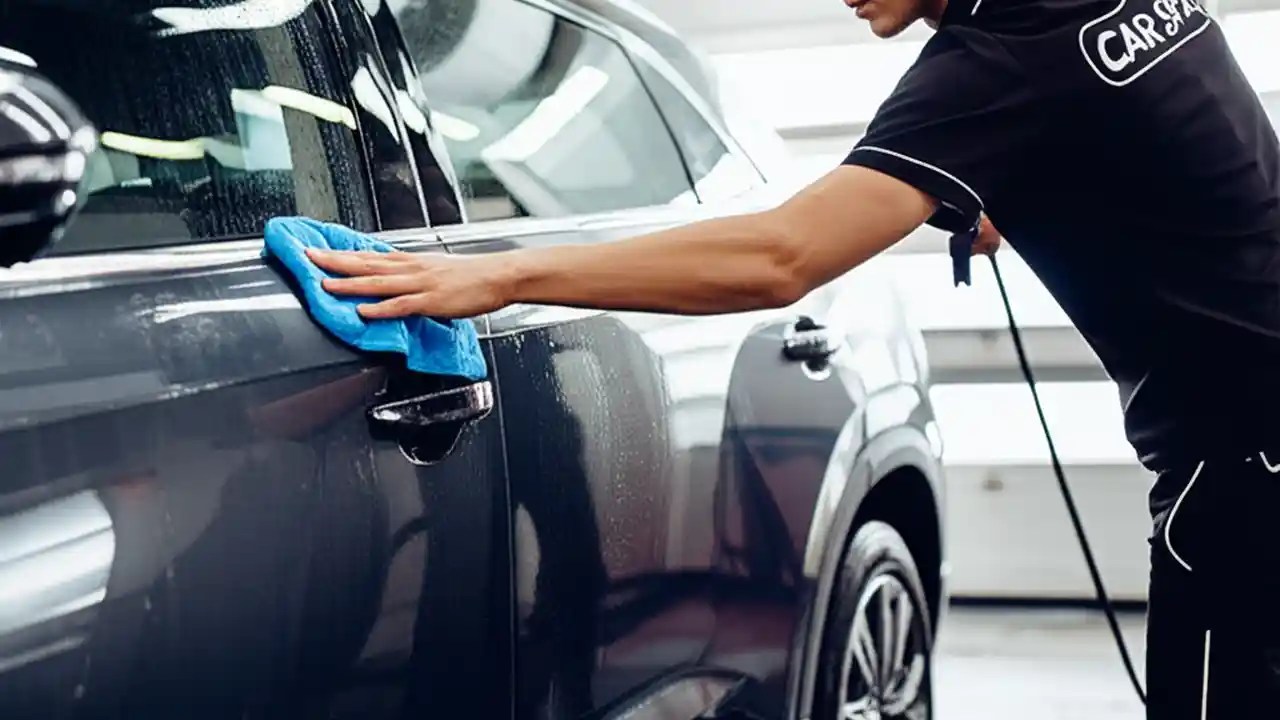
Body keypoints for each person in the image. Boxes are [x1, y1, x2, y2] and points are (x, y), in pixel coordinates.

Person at [307, 0, 1280, 716]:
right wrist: (1032, 170)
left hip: (1243, 475)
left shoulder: (1000, 56)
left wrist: (503, 277)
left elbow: (779, 257)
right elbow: (1153, 135)